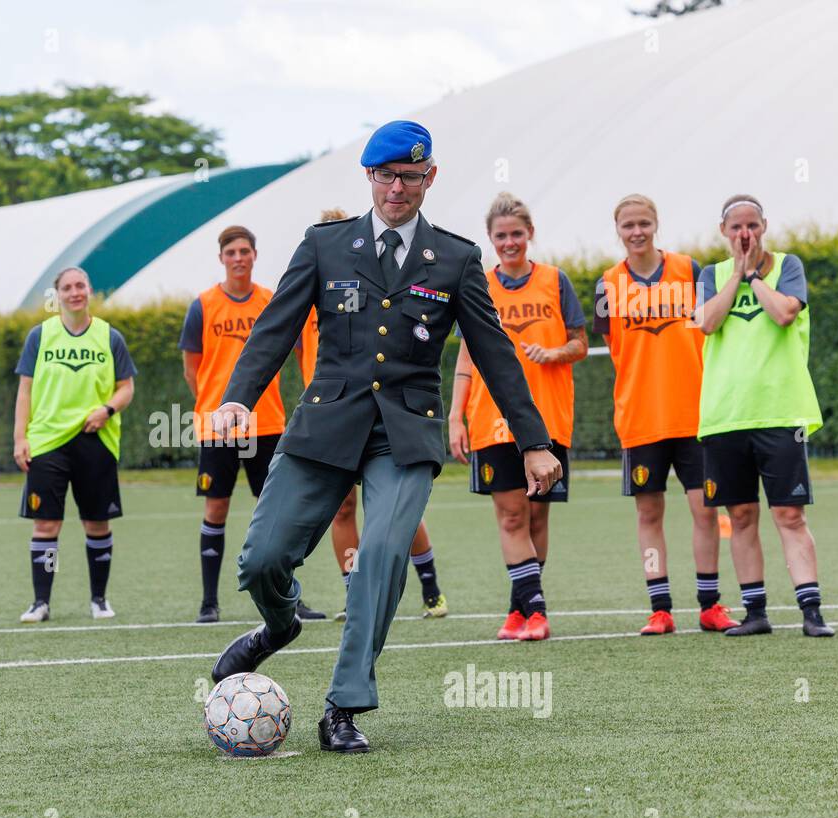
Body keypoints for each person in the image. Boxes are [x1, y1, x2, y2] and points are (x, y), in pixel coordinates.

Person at [210, 121, 560, 754]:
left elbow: (495, 354)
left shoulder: (455, 258)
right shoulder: (324, 245)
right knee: (262, 559)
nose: (397, 187)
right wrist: (237, 396)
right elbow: (275, 328)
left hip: (403, 436)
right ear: (368, 178)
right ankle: (276, 627)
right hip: (324, 424)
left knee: (381, 555)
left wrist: (533, 439)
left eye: (410, 176)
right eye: (385, 175)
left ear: (430, 178)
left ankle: (343, 705)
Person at [595, 195, 737, 636]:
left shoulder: (689, 270)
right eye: (628, 225)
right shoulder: (607, 285)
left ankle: (710, 604)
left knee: (705, 511)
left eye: (644, 223)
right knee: (648, 514)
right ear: (617, 230)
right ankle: (660, 607)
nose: (636, 231)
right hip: (640, 417)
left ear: (656, 224)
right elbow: (614, 344)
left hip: (693, 414)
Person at [448, 193, 586, 641]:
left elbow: (580, 343)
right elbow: (467, 358)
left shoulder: (555, 281)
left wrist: (554, 352)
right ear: (490, 239)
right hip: (490, 419)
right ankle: (538, 612)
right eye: (501, 236)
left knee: (537, 519)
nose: (510, 242)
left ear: (530, 234)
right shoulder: (478, 285)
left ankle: (518, 611)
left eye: (517, 234)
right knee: (511, 516)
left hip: (546, 420)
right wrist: (455, 416)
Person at [696, 194, 833, 638]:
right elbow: (708, 323)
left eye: (752, 225)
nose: (744, 234)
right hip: (727, 415)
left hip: (779, 411)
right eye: (736, 228)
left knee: (790, 516)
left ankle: (811, 612)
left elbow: (784, 314)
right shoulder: (711, 275)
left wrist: (754, 275)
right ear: (723, 232)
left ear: (764, 226)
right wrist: (736, 273)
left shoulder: (788, 266)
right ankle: (755, 612)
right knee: (740, 516)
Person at [303, 209, 448, 624]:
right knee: (343, 509)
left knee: (397, 508)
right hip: (328, 415)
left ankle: (431, 587)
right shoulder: (308, 288)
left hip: (377, 411)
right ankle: (355, 595)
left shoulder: (365, 285)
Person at [180, 226, 323, 625]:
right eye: (231, 252)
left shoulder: (270, 301)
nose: (239, 258)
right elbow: (193, 369)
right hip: (219, 426)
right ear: (222, 258)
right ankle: (209, 602)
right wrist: (213, 403)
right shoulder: (203, 305)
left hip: (267, 423)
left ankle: (290, 598)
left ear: (254, 256)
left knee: (278, 513)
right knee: (216, 508)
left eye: (245, 251)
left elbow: (299, 353)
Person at [13, 266, 136, 622]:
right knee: (46, 525)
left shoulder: (109, 337)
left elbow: (126, 387)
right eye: (67, 287)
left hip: (95, 439)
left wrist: (107, 409)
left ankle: (99, 600)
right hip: (47, 440)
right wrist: (20, 437)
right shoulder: (41, 335)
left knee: (97, 524)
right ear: (58, 295)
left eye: (80, 285)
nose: (74, 292)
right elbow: (25, 390)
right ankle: (41, 603)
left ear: (89, 290)